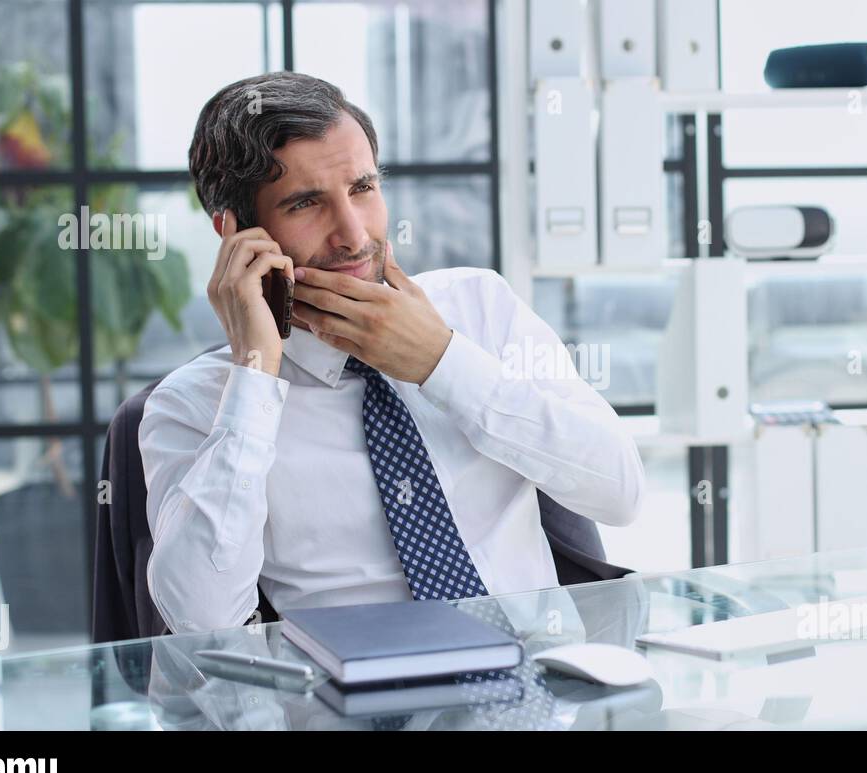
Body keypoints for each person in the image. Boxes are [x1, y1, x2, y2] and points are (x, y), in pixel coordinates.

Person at [140, 72, 645, 633]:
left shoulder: (481, 308)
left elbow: (620, 493)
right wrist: (256, 375)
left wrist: (442, 362)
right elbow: (199, 621)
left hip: (544, 690)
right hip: (362, 708)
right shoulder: (193, 405)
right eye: (306, 203)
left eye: (362, 188)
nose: (353, 235)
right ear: (236, 233)